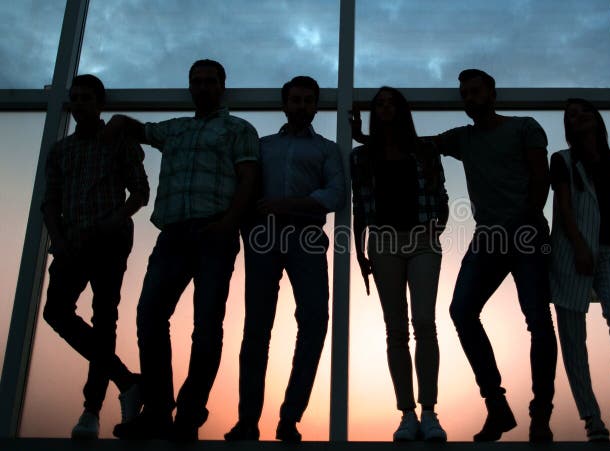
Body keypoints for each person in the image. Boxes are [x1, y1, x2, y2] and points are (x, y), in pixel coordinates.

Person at [355, 69, 557, 442]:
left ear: (493, 93)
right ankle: (496, 405)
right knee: (461, 311)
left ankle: (540, 414)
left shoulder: (525, 127)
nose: (469, 98)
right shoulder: (462, 139)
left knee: (538, 318)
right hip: (488, 237)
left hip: (528, 233)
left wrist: (528, 220)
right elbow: (411, 144)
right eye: (464, 94)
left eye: (475, 91)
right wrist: (366, 137)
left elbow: (540, 178)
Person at [107, 59, 260, 441]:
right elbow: (136, 128)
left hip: (214, 234)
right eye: (197, 81)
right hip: (173, 235)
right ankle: (159, 410)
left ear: (223, 86)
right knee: (149, 316)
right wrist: (117, 122)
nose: (203, 86)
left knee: (206, 327)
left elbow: (248, 180)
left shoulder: (238, 129)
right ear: (190, 86)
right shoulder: (174, 129)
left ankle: (189, 413)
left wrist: (229, 223)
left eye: (210, 81)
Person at [224, 76, 345, 443]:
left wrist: (289, 204)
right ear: (284, 103)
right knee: (257, 328)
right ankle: (248, 421)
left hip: (306, 235)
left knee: (315, 321)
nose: (302, 106)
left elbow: (336, 193)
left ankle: (289, 418)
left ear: (316, 107)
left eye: (309, 100)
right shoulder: (262, 147)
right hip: (263, 236)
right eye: (296, 99)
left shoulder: (326, 150)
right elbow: (242, 188)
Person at [41, 74, 149, 440]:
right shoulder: (61, 151)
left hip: (109, 241)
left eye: (87, 98)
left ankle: (91, 410)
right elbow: (50, 201)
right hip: (71, 242)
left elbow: (140, 192)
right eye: (74, 98)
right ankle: (125, 379)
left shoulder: (118, 142)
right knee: (55, 311)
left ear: (100, 104)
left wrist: (111, 222)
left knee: (104, 318)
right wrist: (58, 238)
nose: (79, 104)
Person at [350, 87, 449, 441]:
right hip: (383, 241)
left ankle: (430, 412)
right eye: (380, 104)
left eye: (391, 102)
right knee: (395, 330)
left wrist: (437, 227)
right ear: (374, 112)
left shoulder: (424, 150)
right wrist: (361, 252)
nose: (385, 108)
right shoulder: (362, 157)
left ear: (402, 110)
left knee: (425, 322)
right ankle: (407, 413)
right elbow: (359, 206)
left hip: (423, 240)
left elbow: (440, 195)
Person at [549, 98, 610, 444]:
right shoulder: (562, 160)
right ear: (568, 127)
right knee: (573, 337)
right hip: (573, 253)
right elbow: (563, 205)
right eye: (571, 114)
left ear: (596, 118)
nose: (578, 117)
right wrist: (577, 244)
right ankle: (591, 417)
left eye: (583, 111)